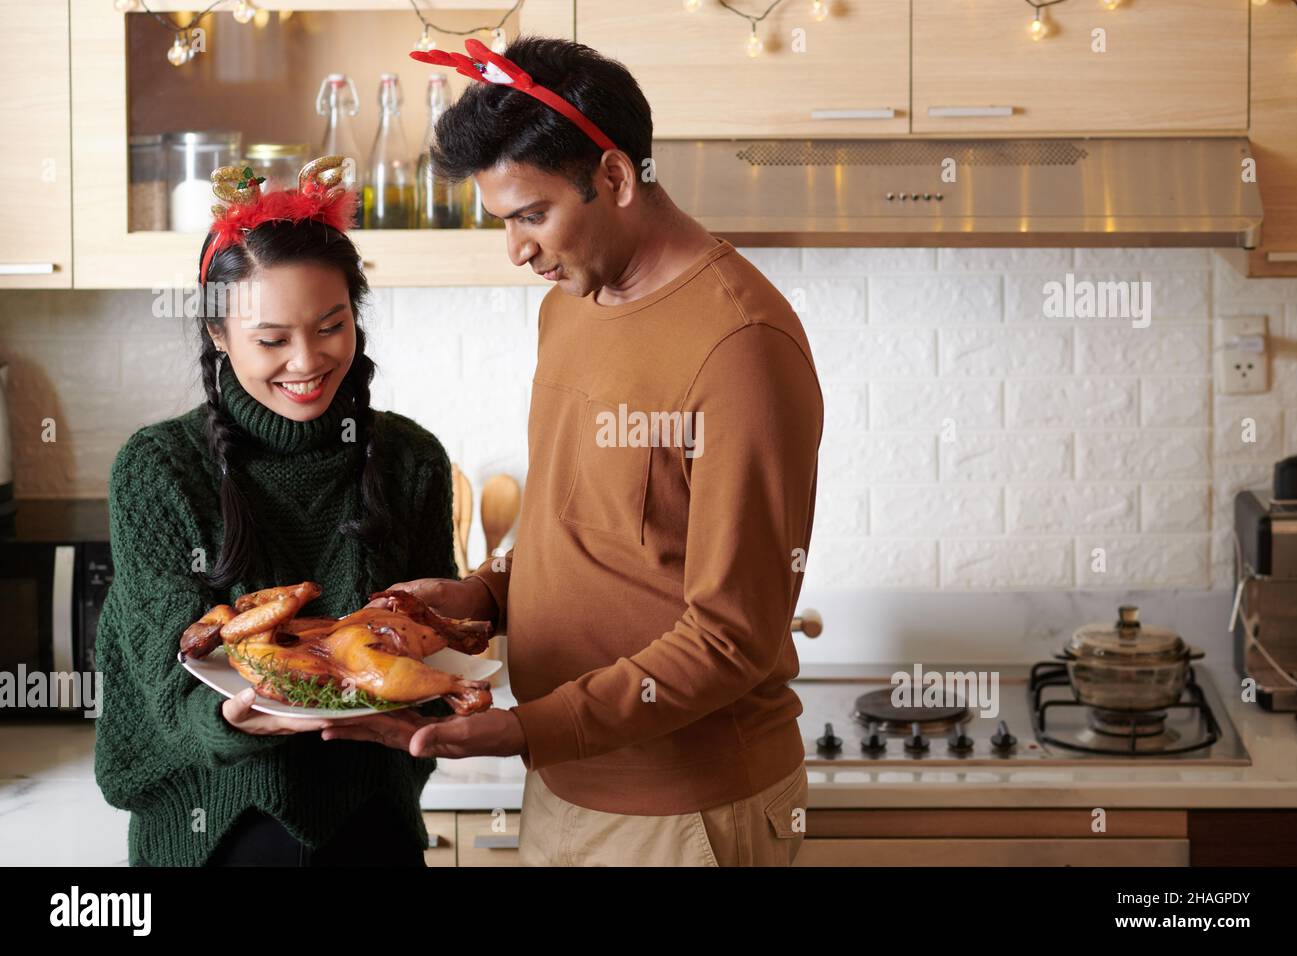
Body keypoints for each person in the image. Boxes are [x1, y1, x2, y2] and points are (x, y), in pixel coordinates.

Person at [325, 36, 824, 867]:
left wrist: (525, 728)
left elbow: (733, 635)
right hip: (563, 783)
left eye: (532, 214)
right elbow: (591, 535)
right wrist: (480, 595)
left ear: (617, 178)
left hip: (684, 813)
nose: (516, 250)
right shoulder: (573, 302)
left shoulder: (741, 345)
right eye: (504, 221)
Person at [93, 161, 456, 866]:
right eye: (271, 339)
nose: (307, 360)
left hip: (371, 822)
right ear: (218, 335)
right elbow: (164, 666)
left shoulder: (411, 459)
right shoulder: (159, 468)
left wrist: (440, 697)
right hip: (213, 829)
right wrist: (225, 716)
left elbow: (429, 636)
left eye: (331, 326)